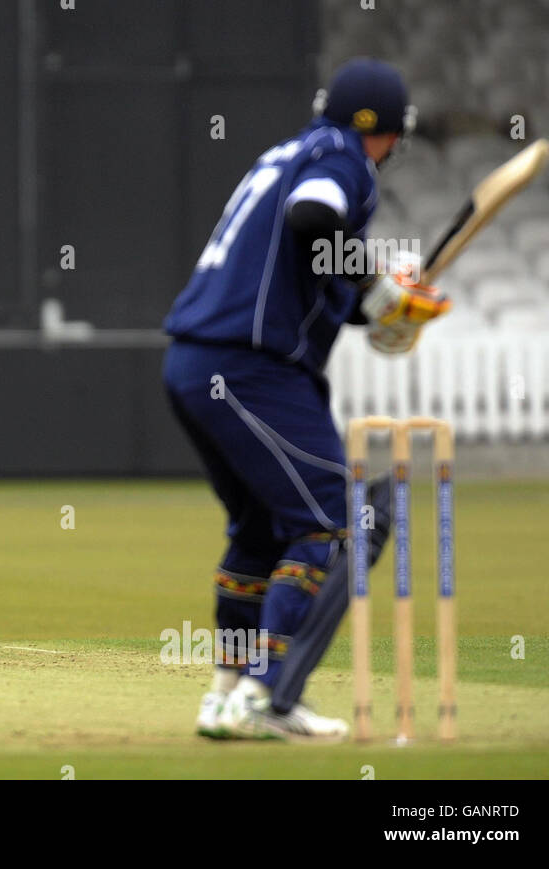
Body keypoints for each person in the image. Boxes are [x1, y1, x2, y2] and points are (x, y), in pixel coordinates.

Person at [162, 58, 450, 739]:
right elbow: (313, 216)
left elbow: (312, 263)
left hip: (192, 362)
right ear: (382, 130)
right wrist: (379, 290)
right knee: (332, 521)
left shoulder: (288, 151)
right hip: (251, 367)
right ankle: (268, 696)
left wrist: (378, 307)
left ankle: (226, 695)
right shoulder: (342, 157)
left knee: (262, 530)